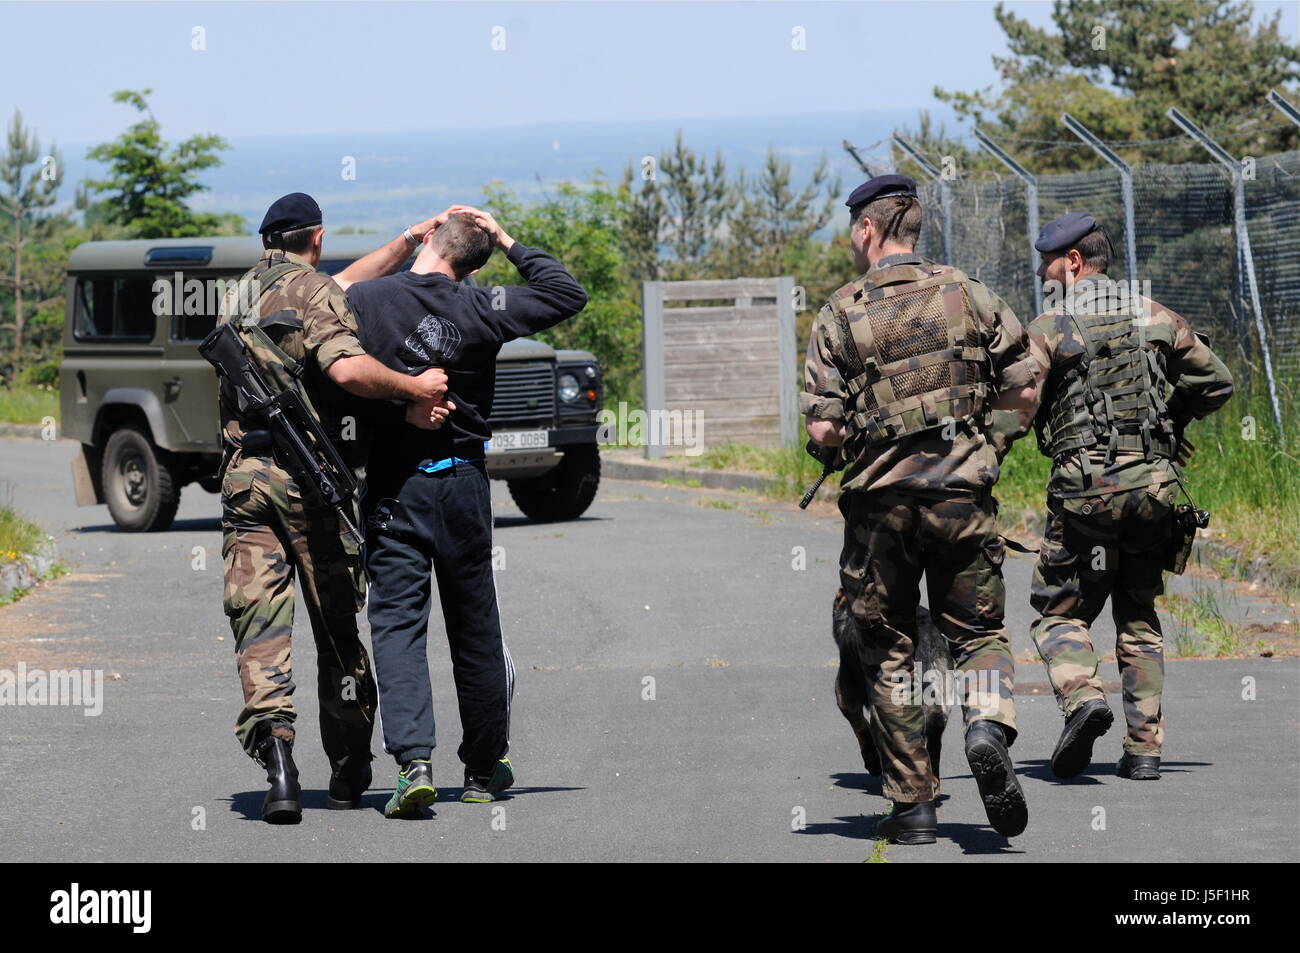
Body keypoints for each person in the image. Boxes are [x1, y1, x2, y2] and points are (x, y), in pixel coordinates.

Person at [802, 174, 1042, 845]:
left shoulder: (838, 312)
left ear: (867, 229)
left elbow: (823, 431)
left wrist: (856, 433)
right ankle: (987, 725)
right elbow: (1025, 389)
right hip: (962, 493)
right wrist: (984, 444)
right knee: (979, 630)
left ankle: (913, 808)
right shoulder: (968, 292)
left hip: (881, 505)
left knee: (889, 646)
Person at [217, 192, 456, 823]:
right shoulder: (315, 291)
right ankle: (349, 769)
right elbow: (347, 370)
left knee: (260, 630)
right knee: (338, 634)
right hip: (310, 484)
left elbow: (342, 284)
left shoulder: (239, 296)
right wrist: (413, 391)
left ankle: (279, 768)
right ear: (316, 239)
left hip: (246, 483)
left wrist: (408, 238)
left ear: (269, 240)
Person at [344, 208, 588, 817]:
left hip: (394, 487)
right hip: (463, 484)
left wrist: (406, 238)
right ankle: (483, 766)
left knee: (397, 626)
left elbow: (335, 355)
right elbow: (566, 292)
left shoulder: (370, 300)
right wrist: (506, 239)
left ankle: (414, 765)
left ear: (432, 239)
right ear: (476, 265)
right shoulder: (483, 306)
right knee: (475, 627)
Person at [1025, 211, 1234, 781]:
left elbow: (1013, 409)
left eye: (1049, 261)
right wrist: (1167, 427)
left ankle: (1083, 697)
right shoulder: (1155, 315)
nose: (1043, 271)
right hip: (1154, 491)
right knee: (1137, 613)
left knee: (1059, 611)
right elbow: (1216, 383)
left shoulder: (1052, 325)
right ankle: (1145, 749)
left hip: (1084, 495)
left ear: (1073, 262)